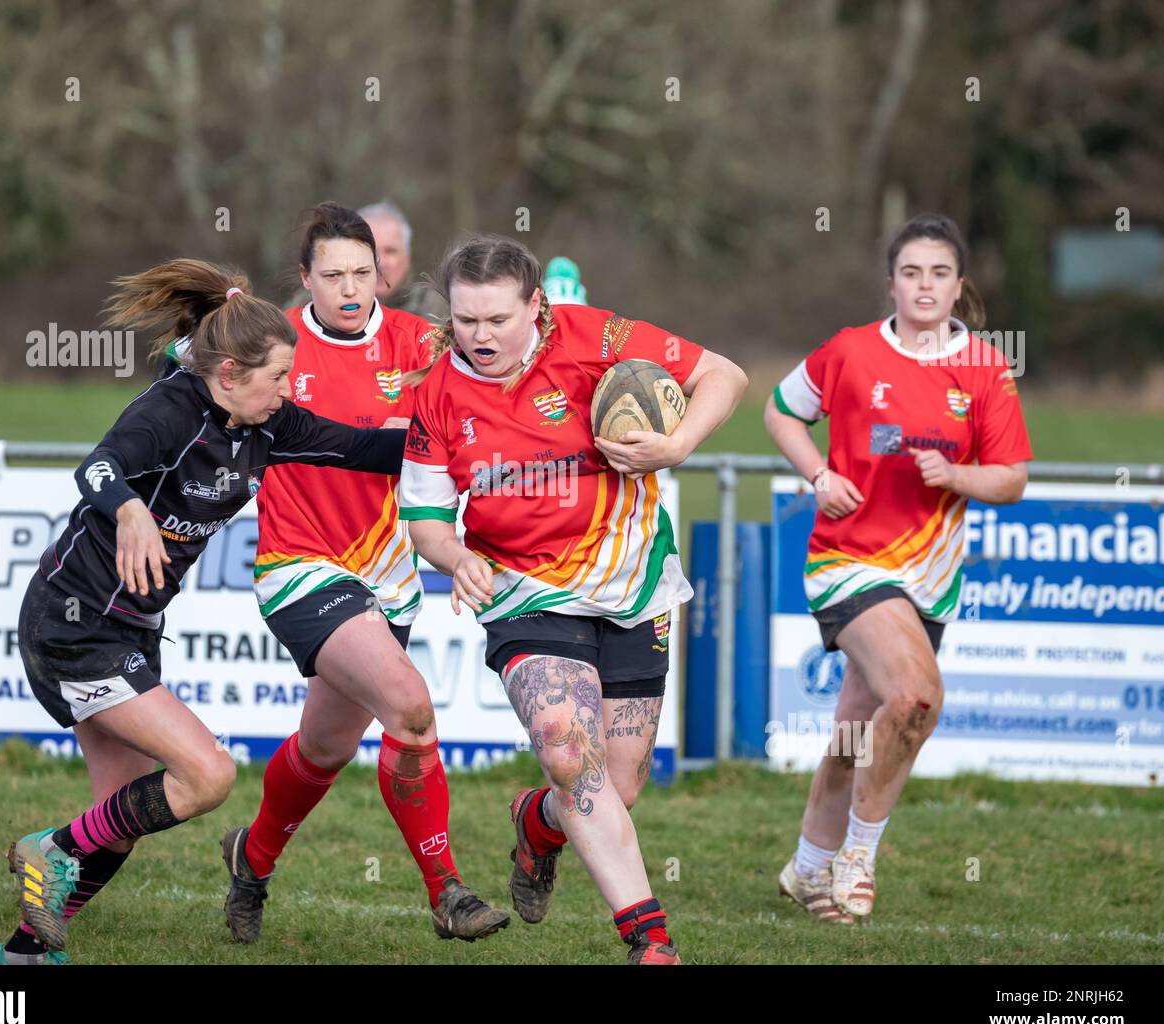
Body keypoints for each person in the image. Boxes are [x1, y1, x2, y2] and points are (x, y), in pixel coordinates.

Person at [0, 259, 407, 964]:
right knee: (208, 776)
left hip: (129, 628)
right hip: (74, 623)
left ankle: (27, 952)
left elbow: (363, 448)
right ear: (228, 375)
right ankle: (48, 849)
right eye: (277, 377)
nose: (287, 389)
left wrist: (466, 446)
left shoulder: (266, 424)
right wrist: (127, 509)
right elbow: (97, 467)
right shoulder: (171, 410)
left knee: (116, 820)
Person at [399, 234, 747, 964]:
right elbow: (428, 521)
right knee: (565, 746)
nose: (480, 337)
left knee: (616, 782)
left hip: (632, 585)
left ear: (537, 306)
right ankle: (649, 940)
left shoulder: (598, 339)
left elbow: (725, 374)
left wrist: (677, 443)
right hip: (521, 588)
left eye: (497, 320)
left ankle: (539, 826)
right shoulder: (436, 394)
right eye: (465, 321)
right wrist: (457, 556)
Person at [220, 203, 508, 945]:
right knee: (411, 709)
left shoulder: (421, 343)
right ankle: (447, 891)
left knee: (325, 747)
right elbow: (194, 381)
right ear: (304, 279)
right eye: (333, 275)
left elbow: (476, 419)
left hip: (389, 576)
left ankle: (250, 860)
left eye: (364, 272)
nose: (351, 289)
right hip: (300, 567)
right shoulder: (275, 344)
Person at [764, 213, 1032, 923]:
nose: (924, 285)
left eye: (939, 273)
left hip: (931, 582)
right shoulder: (850, 351)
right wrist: (818, 474)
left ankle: (808, 867)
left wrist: (956, 474)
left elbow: (1011, 478)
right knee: (916, 698)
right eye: (911, 272)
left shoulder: (983, 367)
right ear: (891, 283)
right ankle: (858, 860)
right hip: (847, 560)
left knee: (860, 730)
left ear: (958, 286)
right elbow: (781, 411)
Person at [283, 200, 445, 321]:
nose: (379, 262)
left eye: (390, 251)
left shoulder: (434, 306)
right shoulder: (311, 301)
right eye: (371, 251)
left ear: (407, 258)